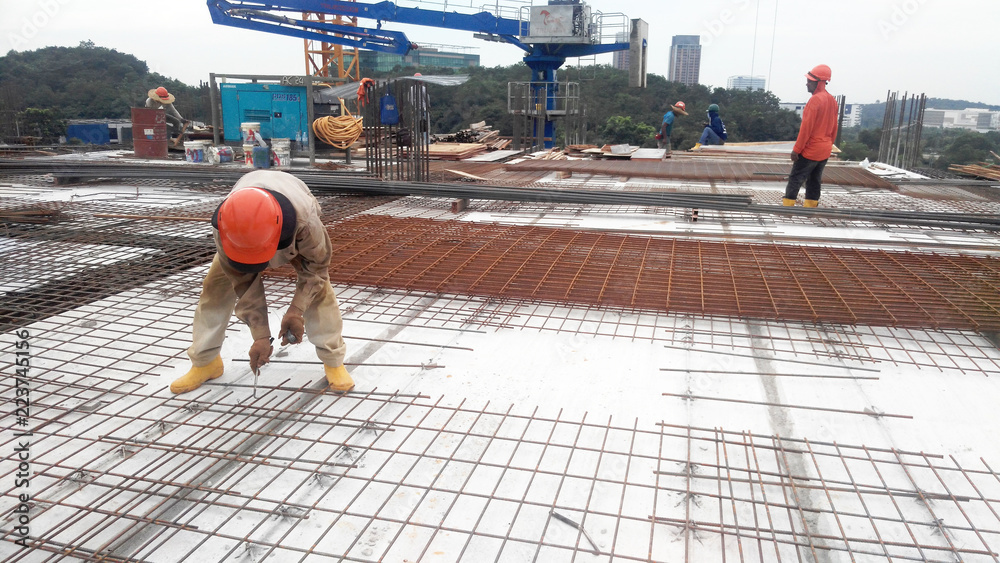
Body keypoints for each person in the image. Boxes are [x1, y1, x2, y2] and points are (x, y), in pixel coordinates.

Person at [170, 170, 354, 395]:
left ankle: (333, 361)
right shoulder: (226, 227)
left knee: (318, 291)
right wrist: (260, 336)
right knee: (215, 289)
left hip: (291, 229)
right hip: (243, 238)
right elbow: (245, 285)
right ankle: (206, 362)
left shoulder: (305, 223)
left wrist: (296, 310)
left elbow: (316, 270)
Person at [783, 64, 839, 208]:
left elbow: (806, 128)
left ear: (819, 82)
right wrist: (828, 145)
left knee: (796, 178)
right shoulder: (832, 100)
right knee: (814, 180)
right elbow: (834, 127)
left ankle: (787, 207)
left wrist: (797, 149)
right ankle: (810, 208)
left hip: (811, 150)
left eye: (810, 81)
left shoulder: (815, 100)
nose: (807, 83)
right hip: (825, 149)